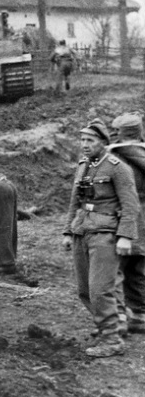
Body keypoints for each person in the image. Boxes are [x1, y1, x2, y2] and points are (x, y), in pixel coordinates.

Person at [63, 118, 139, 358]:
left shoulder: (117, 167)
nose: (85, 145)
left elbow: (131, 205)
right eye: (83, 140)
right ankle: (105, 324)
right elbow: (74, 201)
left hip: (105, 235)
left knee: (100, 290)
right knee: (84, 290)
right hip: (81, 231)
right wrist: (67, 231)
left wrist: (125, 236)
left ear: (103, 142)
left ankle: (112, 339)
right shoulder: (83, 165)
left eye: (90, 140)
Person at [109, 112, 145, 335]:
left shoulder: (115, 159)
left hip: (123, 217)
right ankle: (140, 316)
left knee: (114, 269)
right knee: (138, 268)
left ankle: (119, 317)